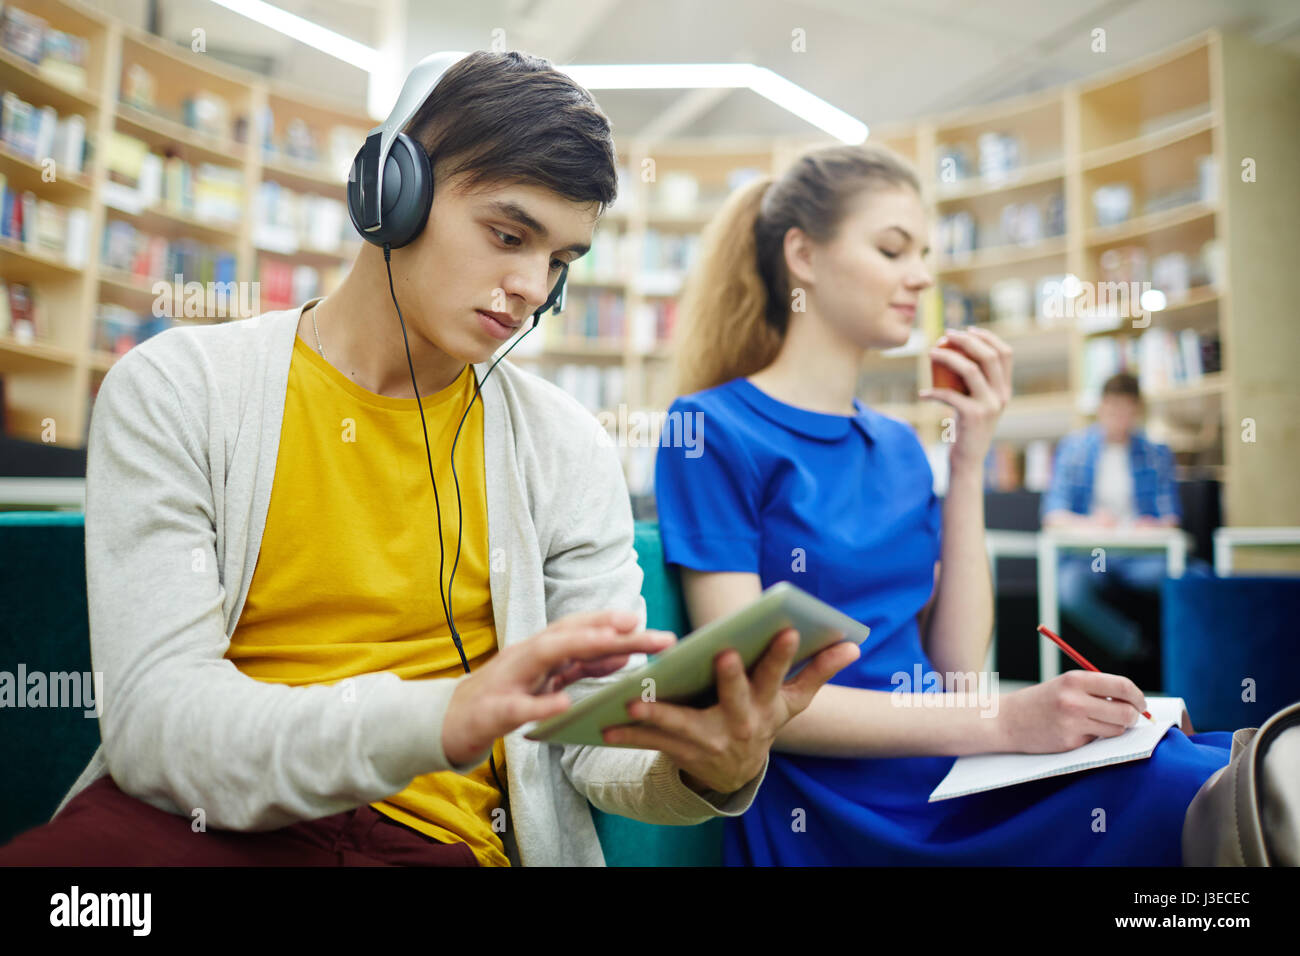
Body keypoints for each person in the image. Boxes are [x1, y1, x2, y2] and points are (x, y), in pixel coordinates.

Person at [0, 50, 856, 868]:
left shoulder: (563, 446)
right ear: (390, 193)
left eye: (559, 260)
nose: (531, 287)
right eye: (508, 233)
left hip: (438, 844)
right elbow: (158, 727)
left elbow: (597, 749)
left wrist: (711, 765)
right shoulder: (178, 389)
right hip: (190, 821)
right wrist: (442, 717)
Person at [652, 143, 1233, 865]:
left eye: (924, 252)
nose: (922, 275)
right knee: (1192, 796)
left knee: (1223, 765)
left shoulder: (897, 445)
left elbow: (956, 664)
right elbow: (754, 702)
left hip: (950, 764)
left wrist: (968, 459)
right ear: (802, 255)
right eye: (894, 250)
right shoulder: (709, 429)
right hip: (839, 809)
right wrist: (1001, 720)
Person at [1041, 371, 1196, 663]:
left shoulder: (1156, 453)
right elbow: (1052, 515)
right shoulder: (1073, 450)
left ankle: (1186, 661)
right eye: (1113, 410)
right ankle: (1135, 649)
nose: (1119, 419)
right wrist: (1089, 523)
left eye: (1127, 411)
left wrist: (1151, 526)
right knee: (1068, 589)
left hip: (1139, 557)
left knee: (1189, 579)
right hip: (1089, 557)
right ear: (1101, 408)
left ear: (1138, 411)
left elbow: (1171, 519)